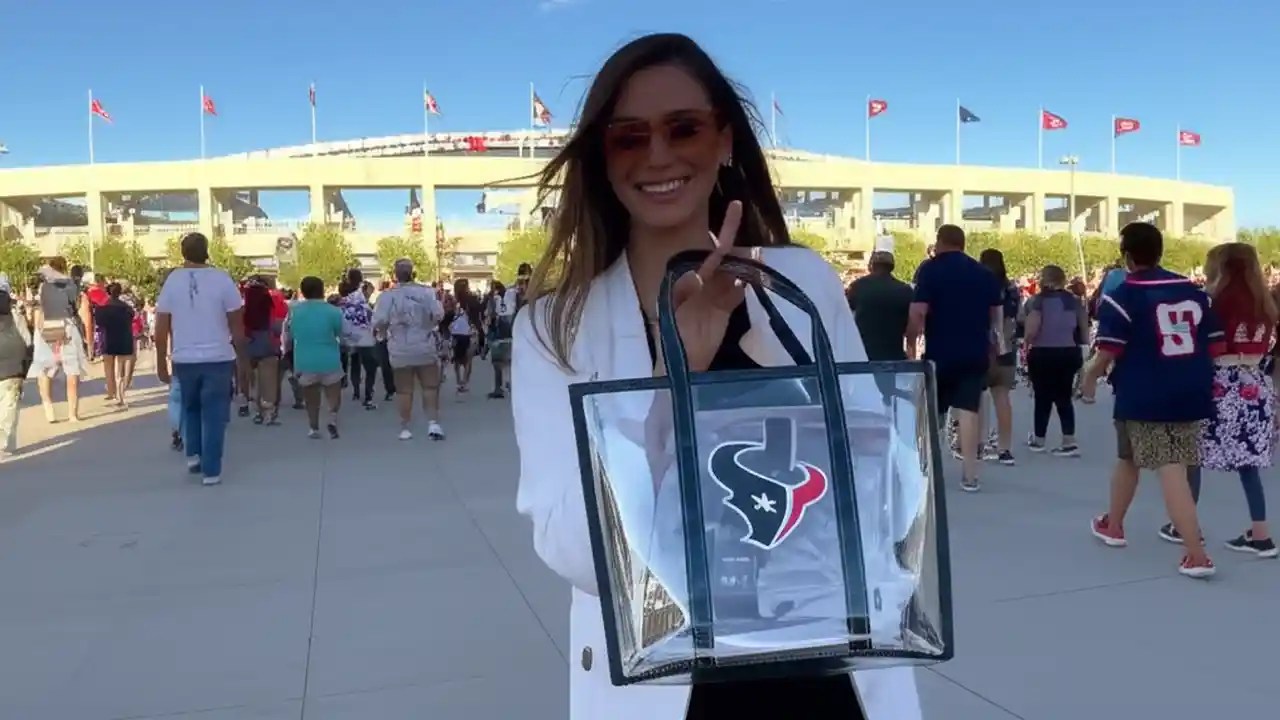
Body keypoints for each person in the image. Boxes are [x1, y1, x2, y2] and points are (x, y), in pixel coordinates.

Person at [511, 32, 919, 720]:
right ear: (602, 159)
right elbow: (573, 547)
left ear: (723, 139)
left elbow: (888, 487)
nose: (660, 155)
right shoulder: (557, 330)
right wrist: (681, 380)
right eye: (629, 137)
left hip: (822, 664)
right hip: (666, 686)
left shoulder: (801, 286)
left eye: (684, 128)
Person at [1081, 222, 1219, 578]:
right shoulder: (1194, 291)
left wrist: (1089, 377)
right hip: (1189, 387)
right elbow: (1215, 345)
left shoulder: (1124, 294)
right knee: (1129, 455)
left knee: (1169, 466)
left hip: (1145, 392)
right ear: (1160, 251)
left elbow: (1109, 349)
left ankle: (1197, 554)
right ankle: (1113, 523)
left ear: (1127, 255)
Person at [1165, 243, 1276, 557]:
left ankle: (1185, 526)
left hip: (1218, 383)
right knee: (1249, 462)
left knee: (1193, 454)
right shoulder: (1265, 303)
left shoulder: (1211, 302)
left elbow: (1195, 342)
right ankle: (1261, 533)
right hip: (1254, 384)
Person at [908, 225, 1002, 492]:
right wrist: (996, 349)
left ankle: (925, 469)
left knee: (933, 412)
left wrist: (911, 343)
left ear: (940, 242)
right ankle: (970, 475)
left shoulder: (930, 269)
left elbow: (918, 312)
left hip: (941, 351)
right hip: (975, 351)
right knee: (969, 411)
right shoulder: (984, 273)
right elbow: (996, 318)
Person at [155, 232, 245, 487]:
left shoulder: (172, 281)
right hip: (218, 357)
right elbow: (237, 325)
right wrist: (243, 361)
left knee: (190, 407)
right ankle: (212, 470)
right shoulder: (222, 279)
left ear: (182, 253)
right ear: (207, 250)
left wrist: (161, 362)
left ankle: (193, 454)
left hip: (184, 358)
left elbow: (161, 327)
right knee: (214, 413)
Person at [372, 258, 446, 441]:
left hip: (400, 348)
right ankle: (433, 423)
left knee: (404, 390)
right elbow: (439, 314)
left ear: (395, 275)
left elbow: (379, 321)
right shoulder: (427, 292)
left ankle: (405, 427)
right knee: (430, 386)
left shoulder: (387, 296)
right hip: (424, 345)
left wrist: (383, 332)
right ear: (413, 272)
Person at [1022, 265, 1089, 456]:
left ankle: (1039, 439)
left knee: (1042, 397)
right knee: (1064, 397)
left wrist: (1027, 340)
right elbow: (1083, 328)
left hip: (1043, 351)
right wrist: (1085, 350)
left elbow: (1032, 328)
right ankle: (1069, 440)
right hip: (1069, 351)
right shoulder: (1074, 301)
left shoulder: (1037, 301)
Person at [28, 257, 91, 423]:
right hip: (67, 326)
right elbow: (75, 306)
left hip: (47, 326)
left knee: (45, 368)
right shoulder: (70, 284)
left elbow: (39, 308)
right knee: (72, 371)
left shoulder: (43, 287)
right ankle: (72, 414)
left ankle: (49, 409)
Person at [288, 276, 345, 439]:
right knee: (333, 393)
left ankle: (313, 427)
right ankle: (332, 419)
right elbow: (339, 333)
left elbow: (291, 334)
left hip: (305, 359)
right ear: (321, 290)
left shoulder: (295, 312)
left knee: (311, 399)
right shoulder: (334, 311)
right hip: (329, 358)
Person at [977, 248, 1018, 465]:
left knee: (978, 396)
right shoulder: (1011, 288)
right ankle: (1005, 447)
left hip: (982, 345)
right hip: (1006, 347)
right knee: (1002, 397)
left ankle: (979, 443)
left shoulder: (978, 286)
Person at [847, 249, 913, 362]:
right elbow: (912, 322)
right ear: (892, 267)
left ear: (872, 265)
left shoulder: (857, 286)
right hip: (894, 353)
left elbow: (848, 312)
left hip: (864, 353)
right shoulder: (905, 289)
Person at [0, 273, 33, 462]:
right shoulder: (15, 313)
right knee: (9, 405)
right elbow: (27, 341)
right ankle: (4, 445)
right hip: (12, 366)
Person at [94, 282, 138, 408]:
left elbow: (99, 323)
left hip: (108, 338)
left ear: (108, 293)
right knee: (121, 369)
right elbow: (131, 319)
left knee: (109, 366)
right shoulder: (127, 309)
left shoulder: (102, 309)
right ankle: (121, 394)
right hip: (124, 339)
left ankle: (111, 390)